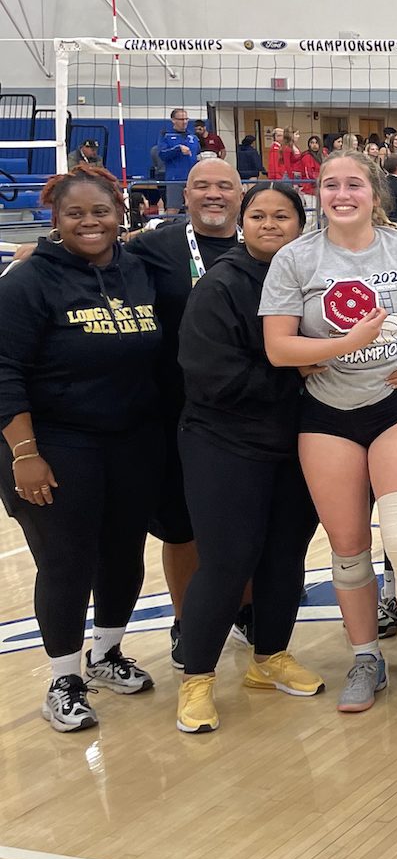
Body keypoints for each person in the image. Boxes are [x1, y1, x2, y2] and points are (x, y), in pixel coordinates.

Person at [261, 149, 397, 728]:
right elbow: (280, 348)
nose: (341, 193)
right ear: (318, 193)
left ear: (375, 192)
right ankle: (366, 658)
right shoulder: (295, 258)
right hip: (327, 414)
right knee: (349, 545)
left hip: (396, 407)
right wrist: (344, 344)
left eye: (353, 183)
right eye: (329, 184)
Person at [0, 166, 162, 732]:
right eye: (76, 214)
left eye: (101, 212)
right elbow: (4, 370)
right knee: (66, 562)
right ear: (56, 219)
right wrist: (24, 453)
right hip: (54, 444)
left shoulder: (137, 270)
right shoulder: (26, 282)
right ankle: (64, 678)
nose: (90, 223)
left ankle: (108, 653)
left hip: (132, 441)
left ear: (121, 214)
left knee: (123, 554)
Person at [174, 182, 324, 734]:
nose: (269, 224)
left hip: (294, 442)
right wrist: (294, 373)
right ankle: (196, 678)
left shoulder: (312, 279)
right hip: (224, 442)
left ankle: (269, 657)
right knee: (228, 560)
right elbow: (210, 376)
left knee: (285, 555)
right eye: (257, 214)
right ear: (243, 222)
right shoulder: (221, 285)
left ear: (300, 223)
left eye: (281, 215)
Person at [120, 157, 244, 667]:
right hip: (176, 412)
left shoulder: (271, 244)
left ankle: (248, 614)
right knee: (182, 527)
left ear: (243, 194)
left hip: (252, 410)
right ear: (184, 194)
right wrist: (37, 249)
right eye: (201, 186)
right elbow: (94, 250)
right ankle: (183, 621)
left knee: (248, 523)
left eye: (224, 186)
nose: (213, 195)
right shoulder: (156, 245)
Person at [157, 108, 201, 213]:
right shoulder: (166, 135)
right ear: (173, 120)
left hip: (192, 179)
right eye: (181, 119)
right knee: (173, 209)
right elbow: (162, 154)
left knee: (192, 209)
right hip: (175, 179)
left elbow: (197, 154)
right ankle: (167, 228)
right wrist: (178, 149)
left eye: (186, 119)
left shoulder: (193, 137)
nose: (184, 122)